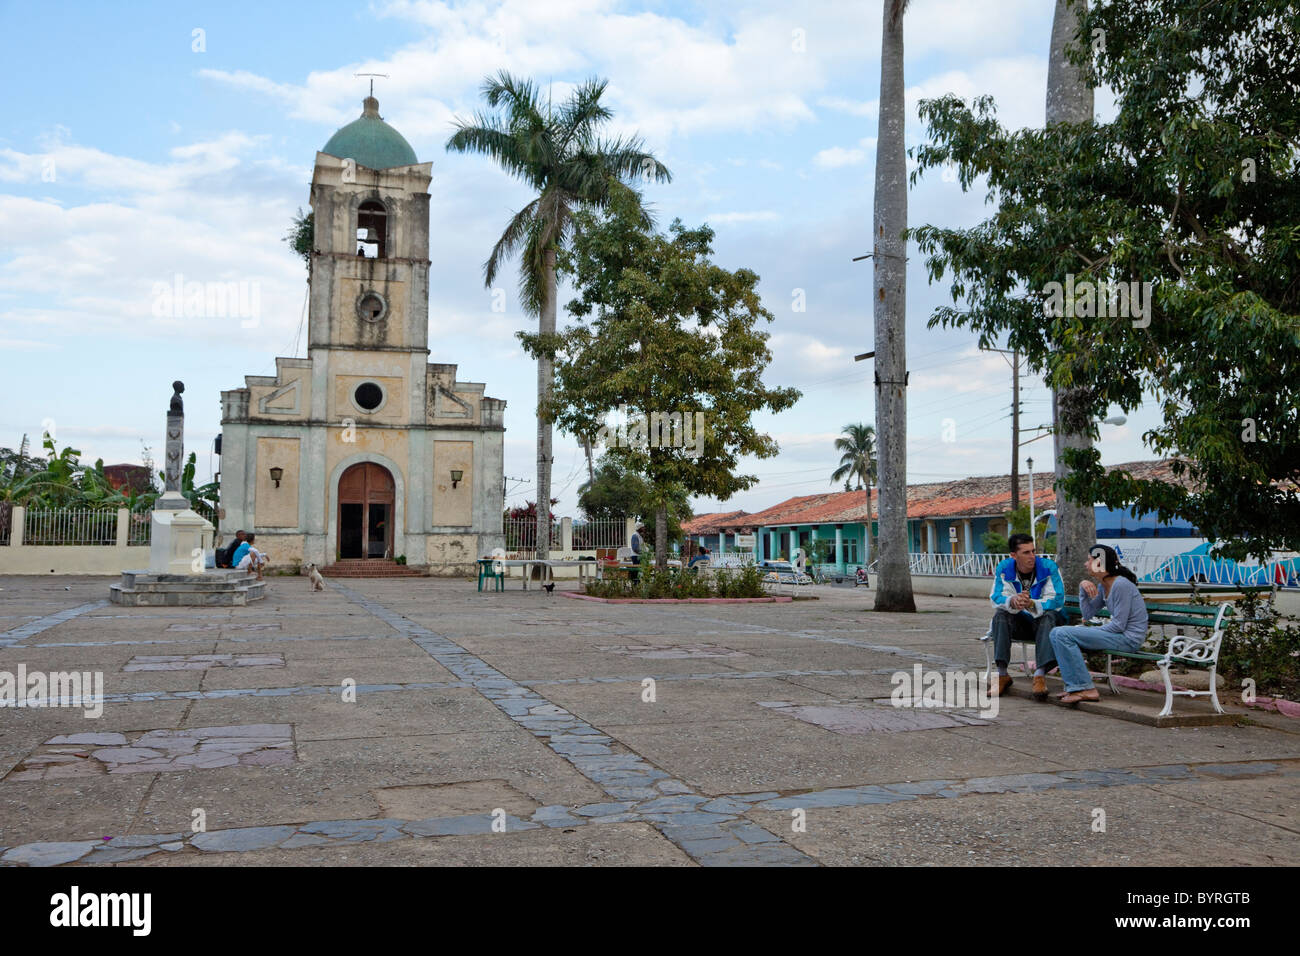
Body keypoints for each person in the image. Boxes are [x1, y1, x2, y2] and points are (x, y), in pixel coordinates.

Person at [1049, 545, 1149, 704]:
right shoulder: (1104, 586)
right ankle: (1076, 687)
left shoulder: (1121, 585)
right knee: (1055, 633)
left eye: (1089, 560)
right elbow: (1088, 614)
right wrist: (1083, 589)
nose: (1085, 564)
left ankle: (1086, 688)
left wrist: (1094, 630)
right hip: (1117, 636)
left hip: (1128, 639)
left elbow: (1119, 626)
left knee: (1062, 634)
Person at [988, 533, 1064, 700]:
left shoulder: (1048, 567)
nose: (1032, 556)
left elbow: (1058, 599)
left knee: (1049, 616)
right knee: (1000, 614)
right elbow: (996, 596)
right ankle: (1002, 674)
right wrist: (1013, 601)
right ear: (1014, 555)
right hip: (1022, 624)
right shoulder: (1004, 568)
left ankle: (1040, 675)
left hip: (1047, 624)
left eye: (1033, 551)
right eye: (1026, 552)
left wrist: (1031, 603)